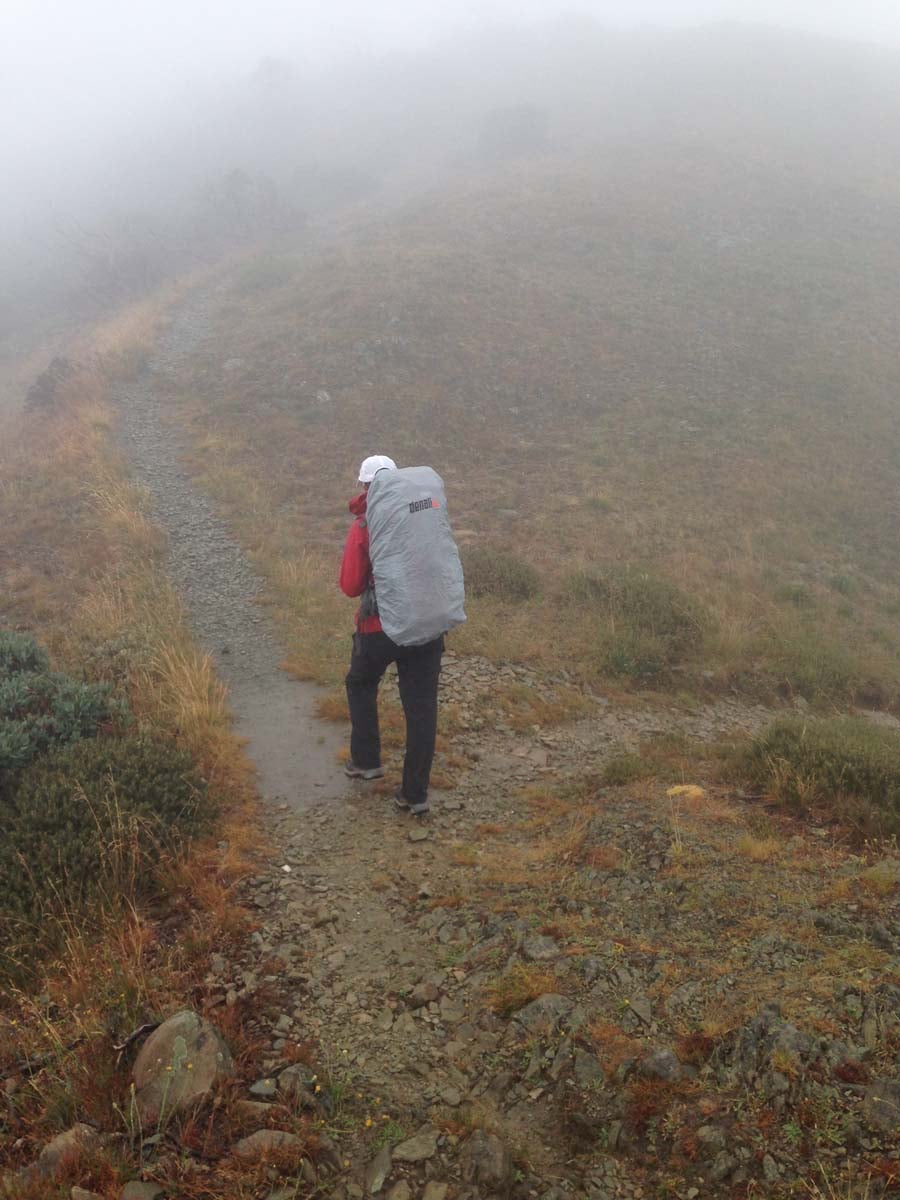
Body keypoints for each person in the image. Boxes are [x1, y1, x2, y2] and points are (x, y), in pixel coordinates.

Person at [339, 454, 444, 817]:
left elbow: (351, 585)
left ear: (366, 486)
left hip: (380, 628)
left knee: (360, 682)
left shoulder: (366, 523)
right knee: (421, 708)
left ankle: (366, 761)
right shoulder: (423, 511)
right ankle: (414, 795)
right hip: (428, 624)